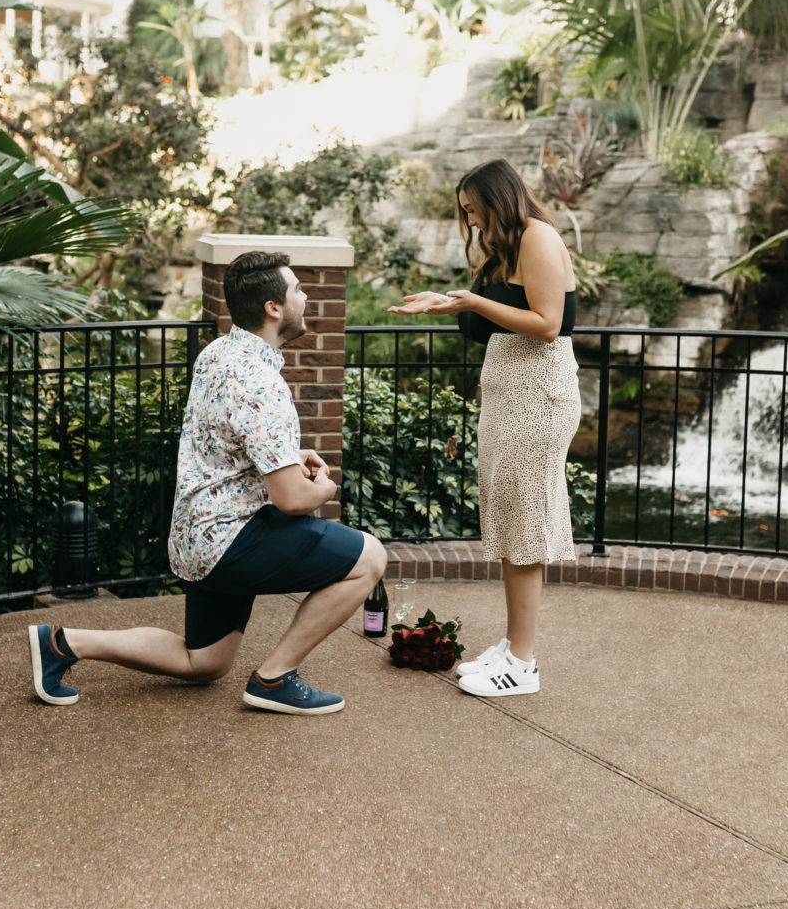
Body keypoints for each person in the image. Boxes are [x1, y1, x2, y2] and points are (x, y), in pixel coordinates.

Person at [28, 250, 387, 714]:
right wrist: (326, 488)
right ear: (273, 308)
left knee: (205, 662)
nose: (305, 295)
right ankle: (274, 679)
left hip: (195, 537)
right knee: (369, 557)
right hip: (232, 540)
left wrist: (285, 456)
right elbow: (293, 499)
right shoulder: (260, 381)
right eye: (297, 288)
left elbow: (226, 441)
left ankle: (61, 643)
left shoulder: (219, 352)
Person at [388, 158, 578, 698]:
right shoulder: (508, 250)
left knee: (524, 523)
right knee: (512, 517)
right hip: (510, 398)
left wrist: (473, 300)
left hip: (538, 396)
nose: (471, 221)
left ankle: (522, 662)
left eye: (474, 209)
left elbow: (548, 325)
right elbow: (498, 316)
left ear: (500, 198)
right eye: (465, 213)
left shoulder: (537, 238)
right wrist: (451, 303)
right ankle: (514, 646)